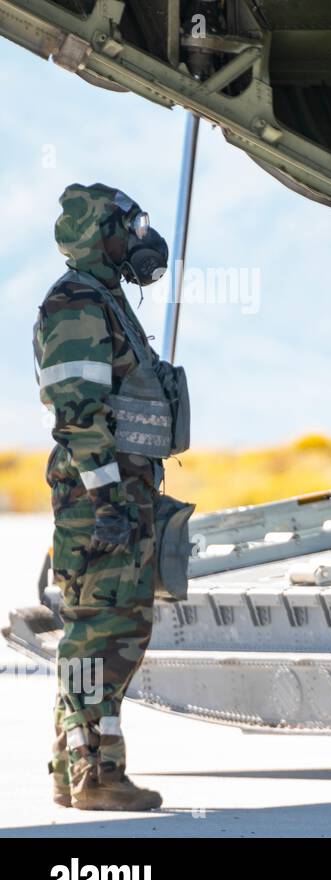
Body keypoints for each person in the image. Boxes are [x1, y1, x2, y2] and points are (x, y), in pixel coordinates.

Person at [35, 182, 173, 811]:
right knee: (108, 632)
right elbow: (79, 412)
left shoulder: (104, 299)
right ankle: (100, 775)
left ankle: (74, 771)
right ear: (101, 232)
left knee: (99, 630)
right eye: (128, 224)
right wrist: (110, 498)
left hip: (117, 489)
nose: (138, 236)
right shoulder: (76, 306)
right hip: (102, 497)